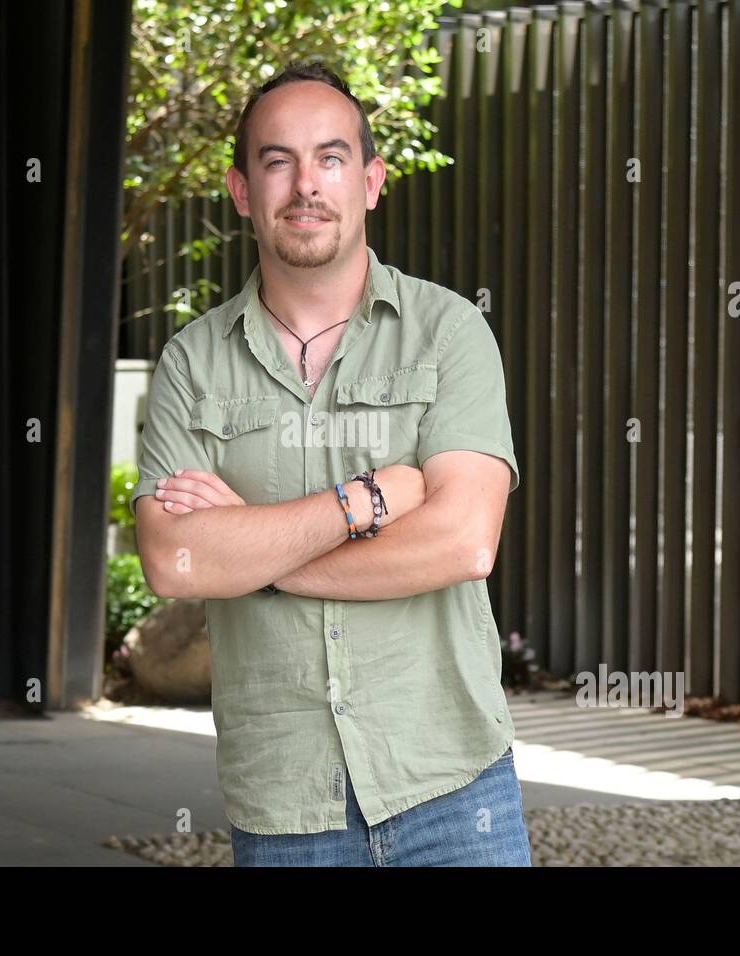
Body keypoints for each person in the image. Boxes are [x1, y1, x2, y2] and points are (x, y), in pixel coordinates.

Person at [131, 60, 529, 867]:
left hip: (451, 788)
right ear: (243, 190)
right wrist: (365, 501)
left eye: (331, 158)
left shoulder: (450, 334)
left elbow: (462, 543)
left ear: (373, 181)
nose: (305, 184)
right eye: (277, 161)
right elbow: (175, 559)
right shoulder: (192, 363)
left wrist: (254, 556)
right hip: (287, 802)